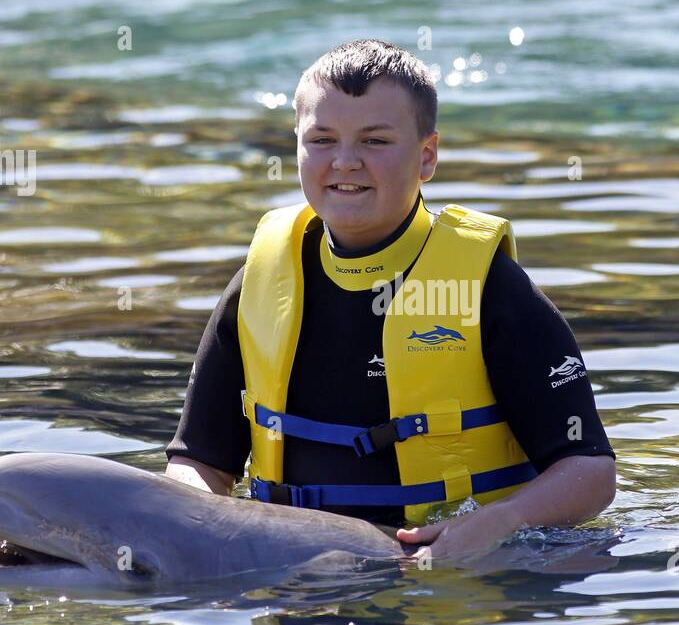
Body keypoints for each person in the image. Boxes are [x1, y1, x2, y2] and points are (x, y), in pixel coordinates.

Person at [165, 39, 615, 564]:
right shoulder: (260, 283)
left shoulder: (489, 286)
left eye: (375, 141)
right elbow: (200, 463)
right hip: (294, 574)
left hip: (461, 576)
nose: (345, 162)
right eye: (322, 139)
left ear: (426, 156)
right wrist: (193, 529)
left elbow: (590, 471)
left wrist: (497, 522)